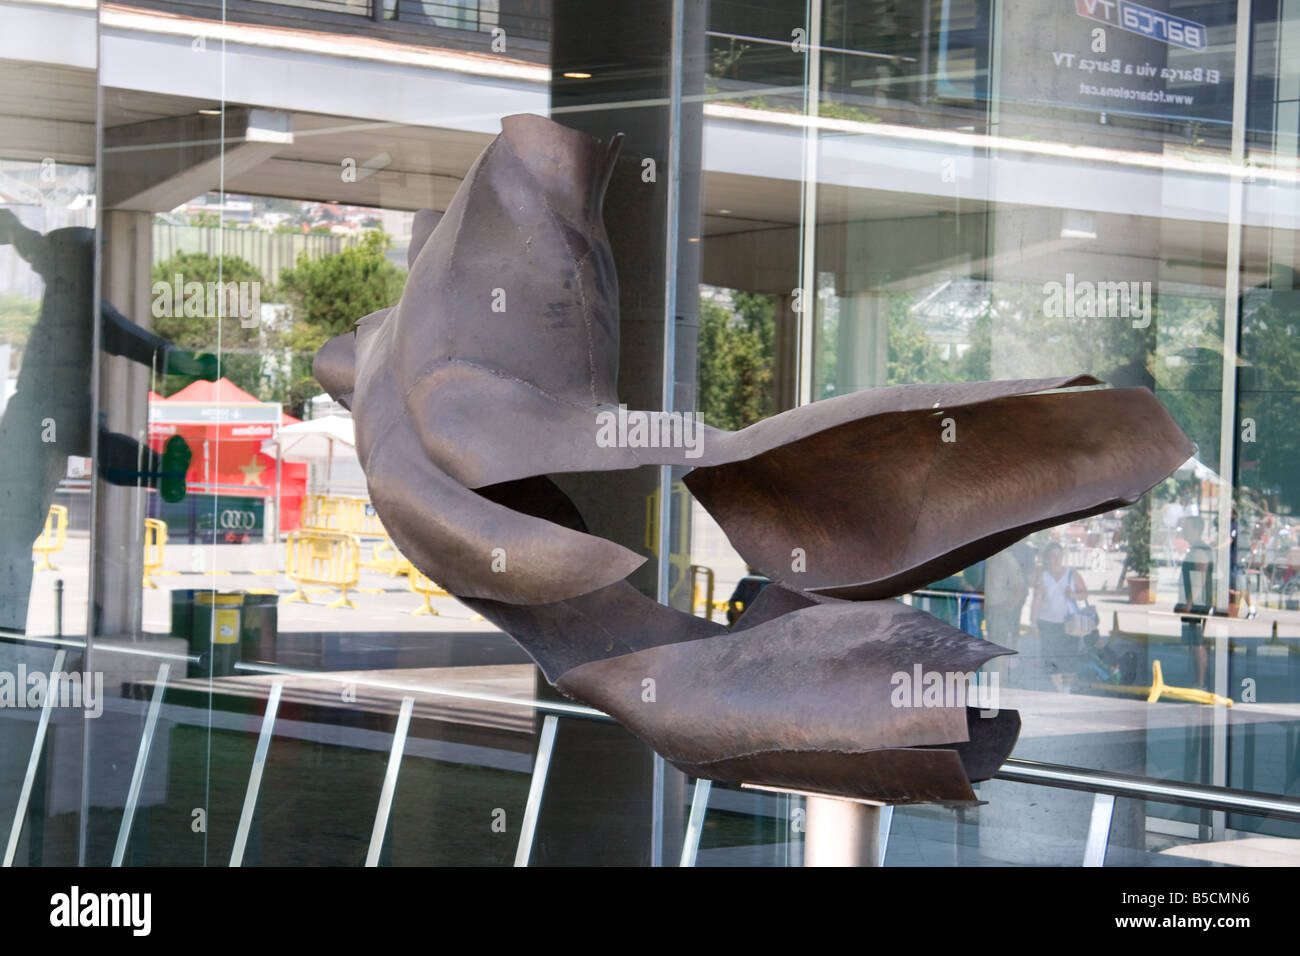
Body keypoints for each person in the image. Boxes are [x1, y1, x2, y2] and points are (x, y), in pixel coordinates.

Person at [1029, 542, 1088, 692]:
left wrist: (1073, 594)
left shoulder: (1071, 573)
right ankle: (1059, 689)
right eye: (1053, 555)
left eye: (1059, 555)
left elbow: (1084, 593)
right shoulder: (1043, 575)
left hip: (1069, 624)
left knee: (1068, 657)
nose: (1056, 559)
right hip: (1047, 622)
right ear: (1047, 558)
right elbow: (1036, 599)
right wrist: (1033, 623)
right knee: (1050, 656)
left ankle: (1066, 688)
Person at [1176, 515, 1215, 689]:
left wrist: (1189, 603)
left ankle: (1200, 682)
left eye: (1187, 527)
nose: (1184, 531)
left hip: (1197, 605)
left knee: (1197, 641)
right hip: (1193, 603)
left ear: (1196, 530)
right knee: (1193, 641)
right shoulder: (1195, 549)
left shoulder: (1200, 550)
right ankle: (1196, 679)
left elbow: (1199, 580)